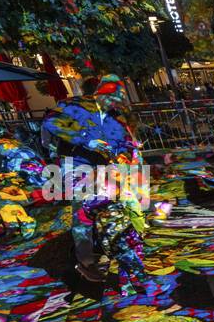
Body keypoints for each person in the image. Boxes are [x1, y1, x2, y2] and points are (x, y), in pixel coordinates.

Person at [40, 74, 149, 292]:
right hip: (78, 167)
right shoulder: (73, 106)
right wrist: (85, 139)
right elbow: (51, 122)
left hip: (107, 170)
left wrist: (124, 157)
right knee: (83, 216)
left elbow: (125, 143)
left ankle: (127, 259)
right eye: (114, 96)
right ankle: (87, 261)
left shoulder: (114, 117)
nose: (117, 101)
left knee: (118, 213)